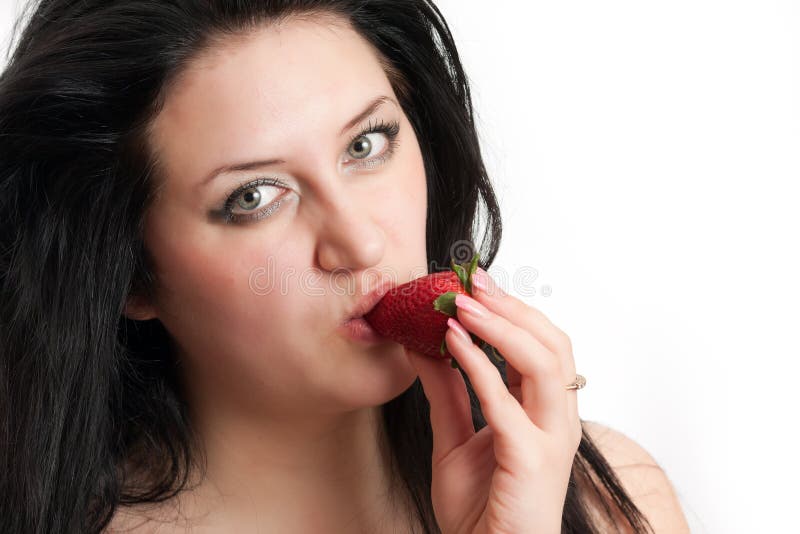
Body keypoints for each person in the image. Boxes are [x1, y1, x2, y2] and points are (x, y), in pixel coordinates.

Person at [0, 1, 691, 532]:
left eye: (366, 145)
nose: (360, 243)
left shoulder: (609, 503)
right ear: (132, 274)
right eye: (253, 197)